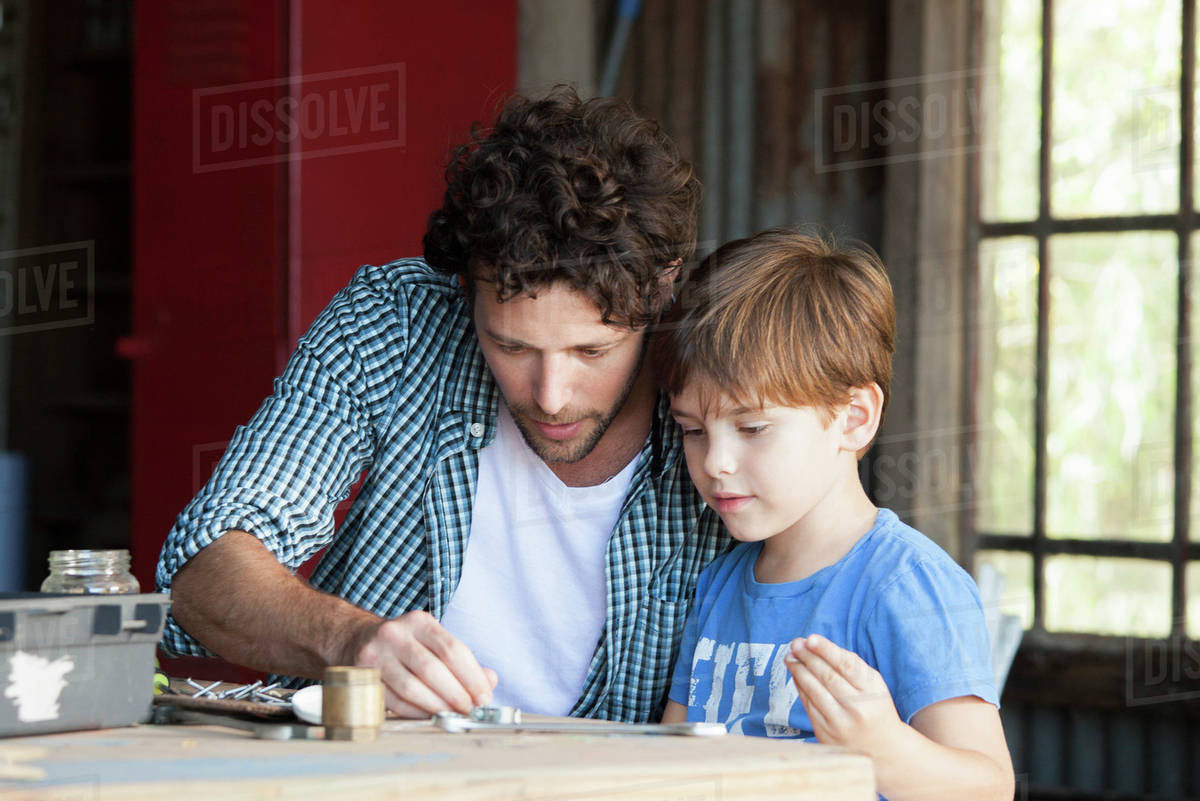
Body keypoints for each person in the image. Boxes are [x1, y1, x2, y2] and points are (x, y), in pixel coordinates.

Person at [156, 86, 728, 722]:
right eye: (511, 346)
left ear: (664, 286)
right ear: (465, 289)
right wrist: (351, 642)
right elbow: (205, 572)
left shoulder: (727, 386)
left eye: (592, 352)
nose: (550, 396)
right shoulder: (394, 326)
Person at [656, 230, 1014, 800]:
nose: (716, 463)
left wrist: (886, 750)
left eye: (752, 429)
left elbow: (989, 786)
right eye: (693, 431)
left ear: (853, 418)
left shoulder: (907, 584)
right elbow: (670, 761)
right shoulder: (718, 585)